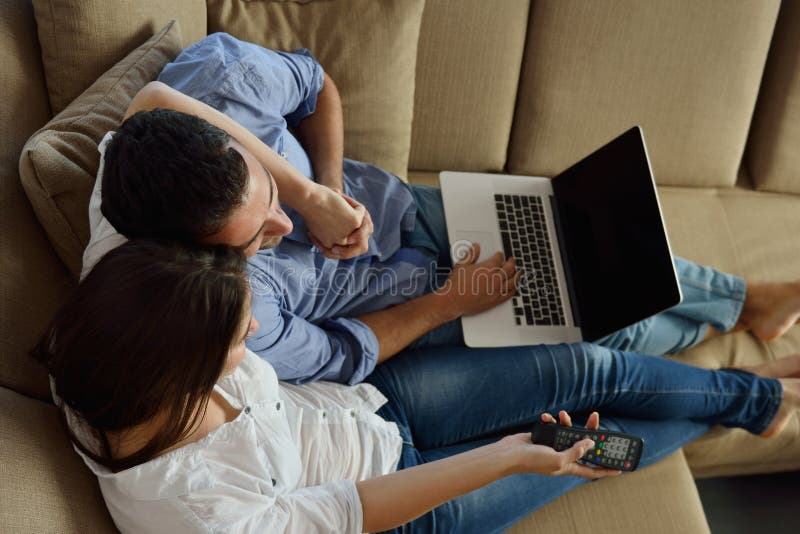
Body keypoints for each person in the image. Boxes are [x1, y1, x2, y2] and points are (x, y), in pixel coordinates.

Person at [85, 33, 800, 386]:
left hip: (395, 210)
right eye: (258, 242)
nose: (283, 229)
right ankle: (724, 355)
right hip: (400, 307)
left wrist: (319, 189)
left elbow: (316, 86)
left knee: (572, 228)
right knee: (591, 338)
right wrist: (447, 304)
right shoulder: (230, 310)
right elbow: (342, 354)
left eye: (267, 198)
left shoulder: (223, 81)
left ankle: (747, 302)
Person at [36, 239, 800, 533]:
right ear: (181, 374)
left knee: (584, 366)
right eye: (241, 341)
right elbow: (349, 508)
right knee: (582, 447)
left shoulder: (106, 336)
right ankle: (755, 399)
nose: (259, 339)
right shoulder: (197, 511)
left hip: (375, 406)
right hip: (395, 504)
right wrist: (510, 455)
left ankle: (753, 399)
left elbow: (144, 114)